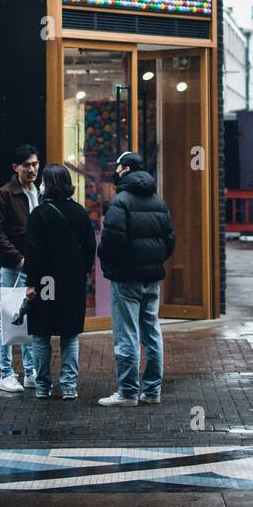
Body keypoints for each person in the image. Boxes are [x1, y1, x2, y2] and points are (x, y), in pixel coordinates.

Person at [96, 151, 175, 407]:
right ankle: (152, 390)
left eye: (118, 166)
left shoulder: (121, 201)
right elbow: (170, 240)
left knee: (126, 333)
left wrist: (107, 257)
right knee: (151, 332)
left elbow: (112, 239)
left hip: (126, 277)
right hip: (152, 277)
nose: (115, 170)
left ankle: (128, 392)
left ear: (126, 169)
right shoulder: (158, 201)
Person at [23, 164, 96, 400]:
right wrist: (81, 271)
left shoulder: (39, 214)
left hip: (45, 282)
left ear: (48, 184)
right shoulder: (79, 212)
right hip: (72, 281)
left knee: (41, 335)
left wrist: (31, 284)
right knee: (70, 334)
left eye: (43, 181)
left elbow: (34, 252)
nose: (40, 185)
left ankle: (43, 386)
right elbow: (89, 247)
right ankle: (69, 386)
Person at [0, 143, 40, 395]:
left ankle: (30, 371)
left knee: (30, 319)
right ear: (15, 167)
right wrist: (17, 257)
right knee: (9, 318)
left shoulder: (40, 191)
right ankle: (6, 373)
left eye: (35, 164)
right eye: (27, 165)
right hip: (13, 266)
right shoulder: (6, 194)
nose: (32, 169)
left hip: (36, 265)